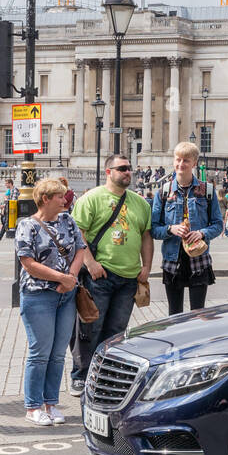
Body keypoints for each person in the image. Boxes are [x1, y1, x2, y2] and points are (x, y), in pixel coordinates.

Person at [70, 155, 154, 395]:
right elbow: (79, 233)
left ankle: (105, 376)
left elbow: (146, 236)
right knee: (90, 328)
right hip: (100, 275)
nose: (128, 172)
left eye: (130, 168)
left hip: (129, 278)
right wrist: (91, 263)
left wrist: (146, 266)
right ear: (109, 172)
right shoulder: (92, 199)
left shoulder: (140, 203)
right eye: (123, 168)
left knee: (116, 332)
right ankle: (81, 375)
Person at [15, 178, 90, 426]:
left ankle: (51, 402)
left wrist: (72, 278)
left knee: (58, 354)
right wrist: (62, 277)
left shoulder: (68, 220)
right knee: (40, 352)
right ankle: (33, 406)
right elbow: (28, 263)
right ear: (45, 199)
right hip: (38, 294)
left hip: (66, 295)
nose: (64, 200)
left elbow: (81, 248)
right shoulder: (27, 225)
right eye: (59, 196)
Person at [151, 141, 223, 315]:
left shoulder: (207, 191)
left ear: (194, 163)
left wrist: (201, 233)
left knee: (198, 313)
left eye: (186, 160)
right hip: (172, 261)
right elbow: (153, 228)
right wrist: (171, 229)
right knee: (174, 314)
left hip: (199, 259)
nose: (180, 164)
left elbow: (218, 224)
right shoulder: (164, 192)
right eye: (178, 159)